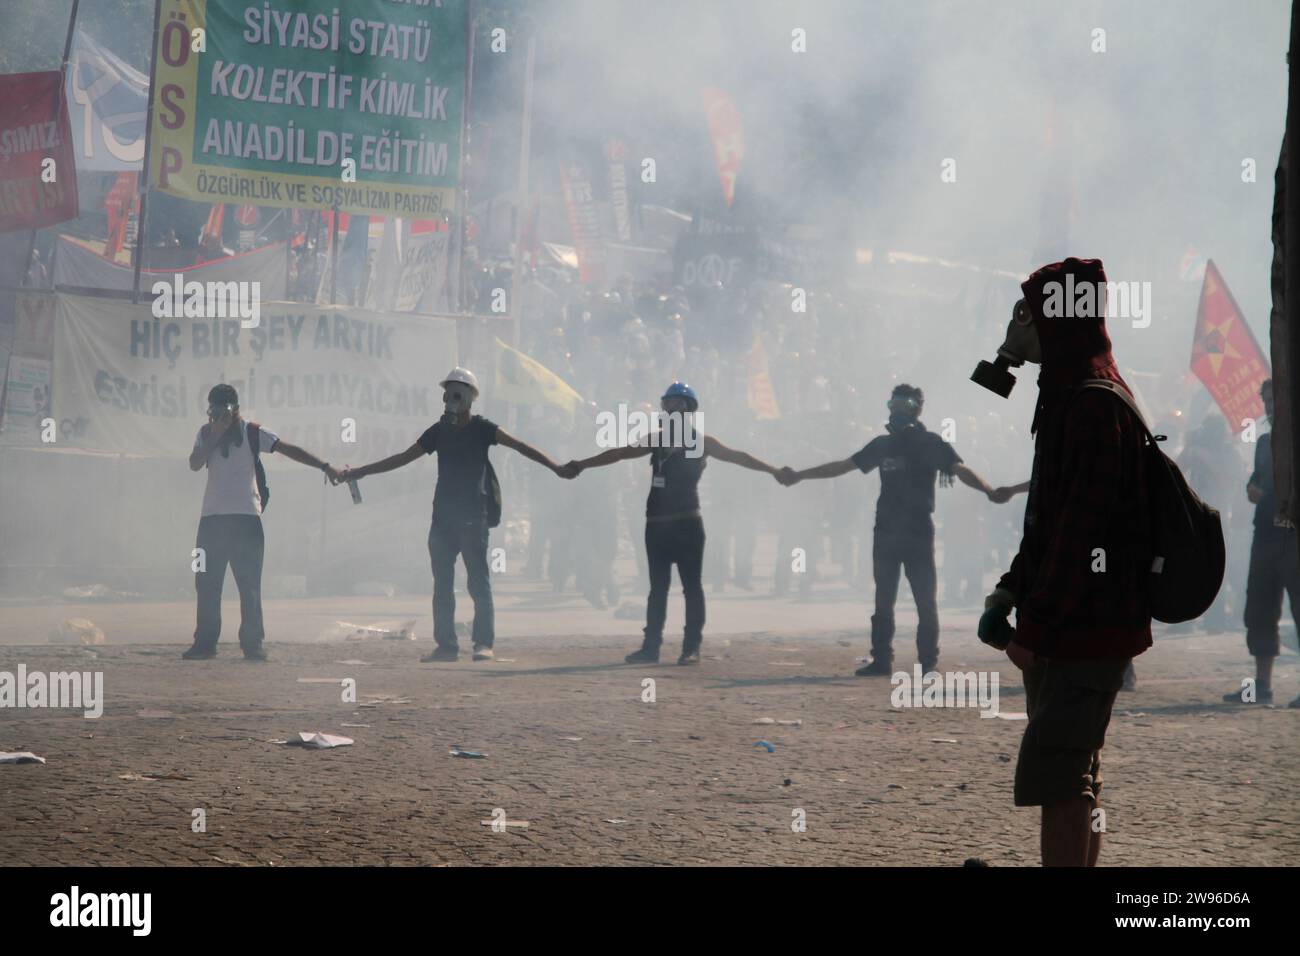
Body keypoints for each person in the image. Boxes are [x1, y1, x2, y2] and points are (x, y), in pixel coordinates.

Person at [975, 257, 1153, 867]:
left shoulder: (1091, 405)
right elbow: (1051, 520)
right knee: (1078, 772)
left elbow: (1081, 536)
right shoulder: (1070, 395)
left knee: (1058, 775)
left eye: (1028, 311)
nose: (1017, 323)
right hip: (1079, 624)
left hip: (1084, 627)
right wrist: (1009, 590)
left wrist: (1037, 629)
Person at [338, 368, 573, 662]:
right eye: (448, 394)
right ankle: (446, 645)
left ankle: (483, 643)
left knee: (478, 581)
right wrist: (360, 472)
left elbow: (520, 446)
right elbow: (402, 458)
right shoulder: (438, 431)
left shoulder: (483, 429)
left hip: (474, 517)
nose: (450, 399)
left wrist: (555, 466)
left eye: (457, 394)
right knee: (442, 584)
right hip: (443, 519)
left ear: (470, 399)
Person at [780, 383, 1011, 676]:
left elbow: (959, 469)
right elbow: (841, 467)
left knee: (925, 599)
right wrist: (799, 475)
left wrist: (988, 489)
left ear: (916, 409)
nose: (897, 411)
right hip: (886, 531)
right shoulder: (881, 445)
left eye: (904, 405)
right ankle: (882, 659)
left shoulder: (931, 443)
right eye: (894, 405)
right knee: (884, 597)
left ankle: (928, 662)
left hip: (917, 532)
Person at [565, 382, 787, 665]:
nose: (671, 410)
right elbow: (619, 453)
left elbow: (739, 457)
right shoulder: (655, 440)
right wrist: (582, 464)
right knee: (657, 588)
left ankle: (691, 647)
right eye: (667, 404)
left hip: (687, 524)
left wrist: (773, 471)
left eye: (677, 405)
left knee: (691, 587)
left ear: (689, 410)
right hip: (656, 524)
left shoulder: (702, 442)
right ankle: (650, 647)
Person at [184, 384, 338, 661]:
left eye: (223, 412)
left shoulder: (252, 432)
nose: (217, 417)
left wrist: (325, 466)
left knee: (249, 584)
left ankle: (253, 643)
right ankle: (205, 643)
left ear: (236, 410)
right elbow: (195, 463)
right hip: (211, 520)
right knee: (206, 583)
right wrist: (215, 435)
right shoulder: (206, 433)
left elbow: (289, 449)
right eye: (213, 412)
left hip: (246, 519)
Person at [1225, 380, 1300, 707]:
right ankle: (1262, 684)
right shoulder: (1265, 442)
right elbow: (1255, 482)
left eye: (1275, 400)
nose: (1270, 407)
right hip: (1265, 536)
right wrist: (1253, 491)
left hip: (1293, 535)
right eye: (1266, 401)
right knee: (1259, 609)